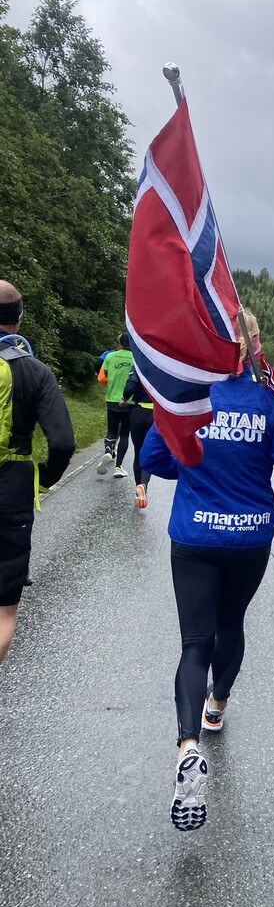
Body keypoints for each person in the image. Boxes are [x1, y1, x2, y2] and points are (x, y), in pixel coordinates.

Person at [141, 311, 274, 831]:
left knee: (195, 642)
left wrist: (199, 456)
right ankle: (217, 706)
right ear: (255, 345)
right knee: (231, 622)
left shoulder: (186, 398)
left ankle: (188, 745)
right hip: (250, 537)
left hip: (194, 535)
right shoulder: (271, 401)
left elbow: (155, 458)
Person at [0, 281, 76, 664]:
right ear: (18, 319)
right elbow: (62, 442)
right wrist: (43, 477)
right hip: (11, 492)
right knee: (4, 610)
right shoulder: (34, 371)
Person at [96, 331, 134, 478]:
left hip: (111, 399)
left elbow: (102, 377)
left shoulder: (110, 357)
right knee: (124, 434)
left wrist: (110, 385)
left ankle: (108, 451)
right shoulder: (136, 358)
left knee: (111, 430)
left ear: (120, 343)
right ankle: (118, 467)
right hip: (129, 401)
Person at [119, 366, 154, 508]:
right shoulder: (162, 362)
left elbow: (131, 383)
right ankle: (144, 485)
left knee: (138, 451)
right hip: (156, 413)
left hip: (138, 412)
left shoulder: (139, 363)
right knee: (149, 451)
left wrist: (124, 398)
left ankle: (138, 486)